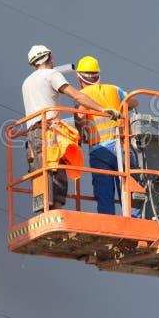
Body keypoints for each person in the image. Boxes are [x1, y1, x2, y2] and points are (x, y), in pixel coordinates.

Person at [21, 45, 115, 212]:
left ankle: (44, 215)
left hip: (32, 135)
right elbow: (77, 95)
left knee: (41, 174)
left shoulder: (26, 82)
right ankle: (56, 213)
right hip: (48, 131)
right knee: (57, 173)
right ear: (48, 57)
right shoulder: (52, 75)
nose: (53, 60)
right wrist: (102, 109)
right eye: (51, 57)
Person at [73, 56, 141, 217]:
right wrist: (121, 106)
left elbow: (81, 118)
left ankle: (108, 221)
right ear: (97, 75)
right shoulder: (114, 89)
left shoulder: (80, 95)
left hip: (99, 150)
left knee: (104, 192)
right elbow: (134, 103)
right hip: (122, 147)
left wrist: (80, 133)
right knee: (130, 188)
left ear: (79, 77)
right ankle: (137, 221)